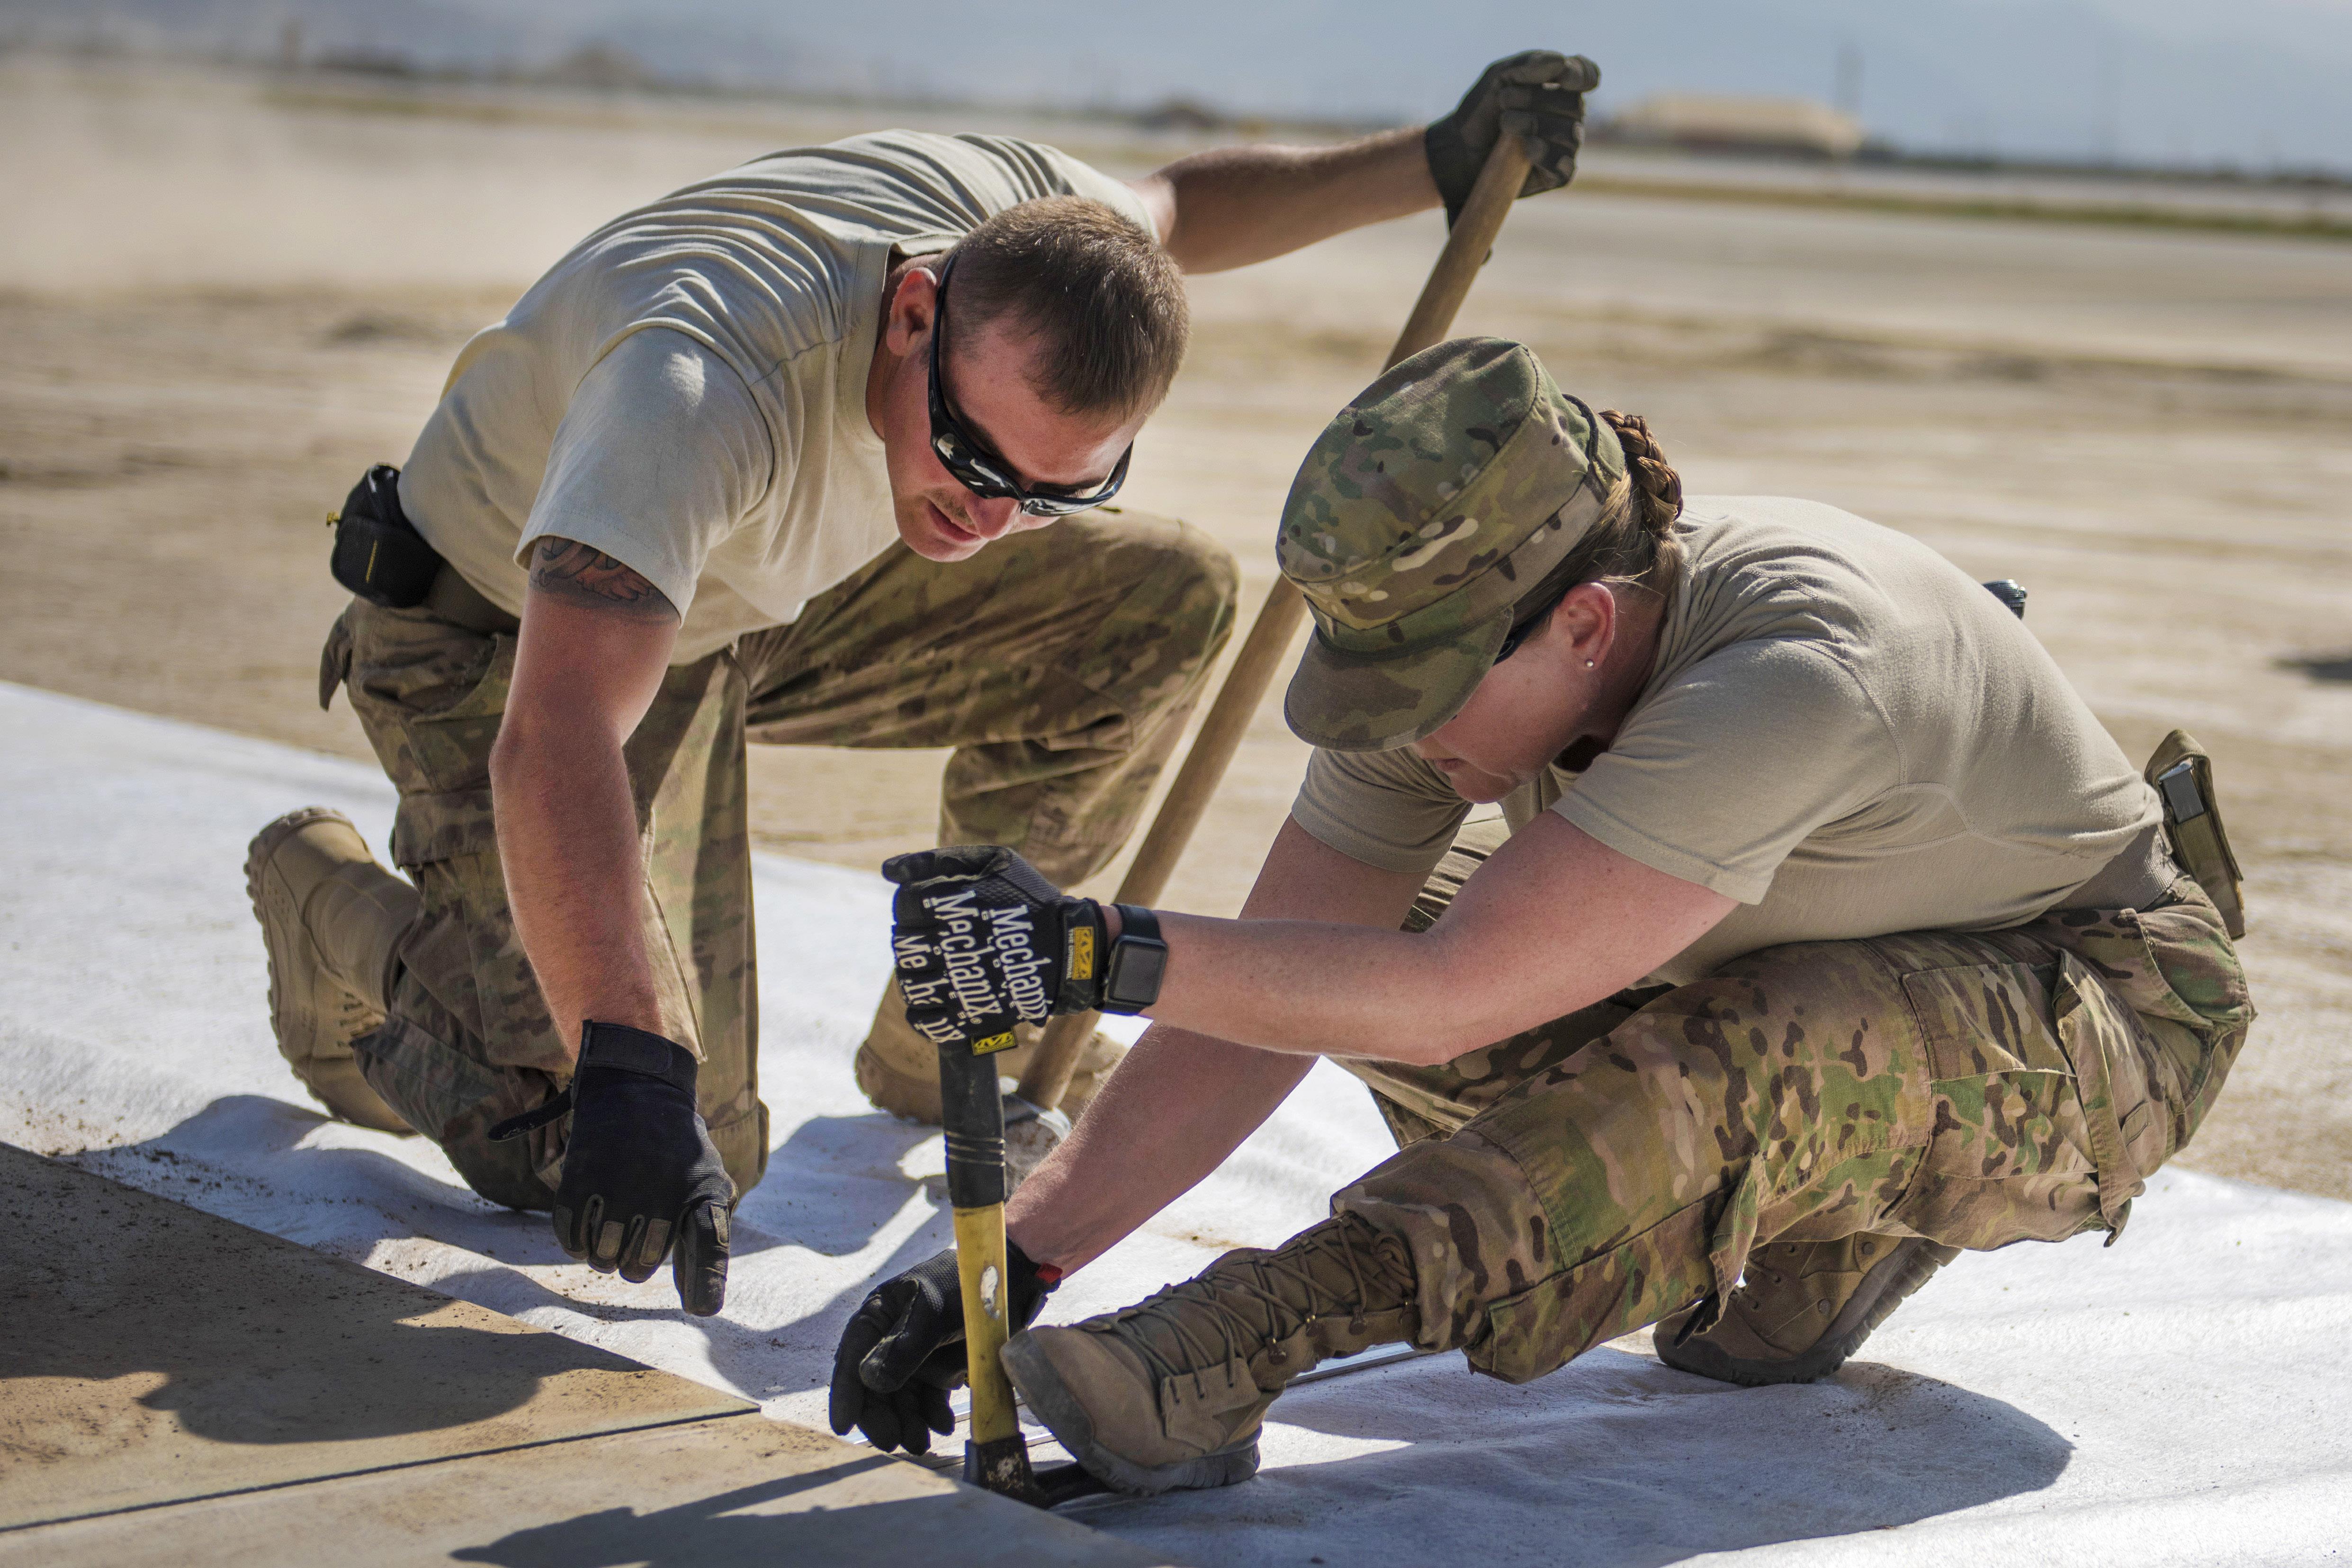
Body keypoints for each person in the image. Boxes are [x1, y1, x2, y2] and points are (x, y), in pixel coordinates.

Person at [241, 56, 1604, 1313]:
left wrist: (1434, 157)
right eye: (972, 459)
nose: (989, 518)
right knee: (617, 1135)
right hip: (502, 639)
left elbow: (1182, 207)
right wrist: (632, 1062)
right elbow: (554, 742)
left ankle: (945, 1036)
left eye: (1048, 493)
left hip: (750, 604)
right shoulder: (696, 386)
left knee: (1162, 594)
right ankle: (335, 914)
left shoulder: (1031, 238)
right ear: (911, 311)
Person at [832, 336, 2255, 1491]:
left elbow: (1465, 992)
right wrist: (1018, 1263)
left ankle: (1235, 1342)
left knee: (1745, 1046)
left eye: (1425, 693)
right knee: (1339, 962)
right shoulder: (1469, 636)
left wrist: (1091, 952)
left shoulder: (1798, 671)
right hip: (1833, 964)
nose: (1398, 729)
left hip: (2104, 1011)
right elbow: (1263, 1002)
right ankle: (1831, 1239)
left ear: (1584, 625)